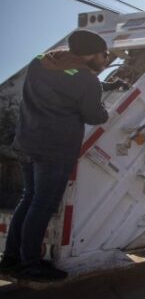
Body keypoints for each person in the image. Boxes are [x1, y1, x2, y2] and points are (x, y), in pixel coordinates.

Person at [0, 30, 110, 282]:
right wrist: (100, 100)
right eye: (104, 56)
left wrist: (99, 84)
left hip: (26, 141)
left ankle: (10, 259)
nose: (105, 61)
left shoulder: (40, 62)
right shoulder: (86, 82)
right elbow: (95, 115)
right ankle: (30, 265)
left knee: (28, 199)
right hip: (54, 148)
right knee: (42, 205)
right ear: (91, 54)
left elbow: (65, 82)